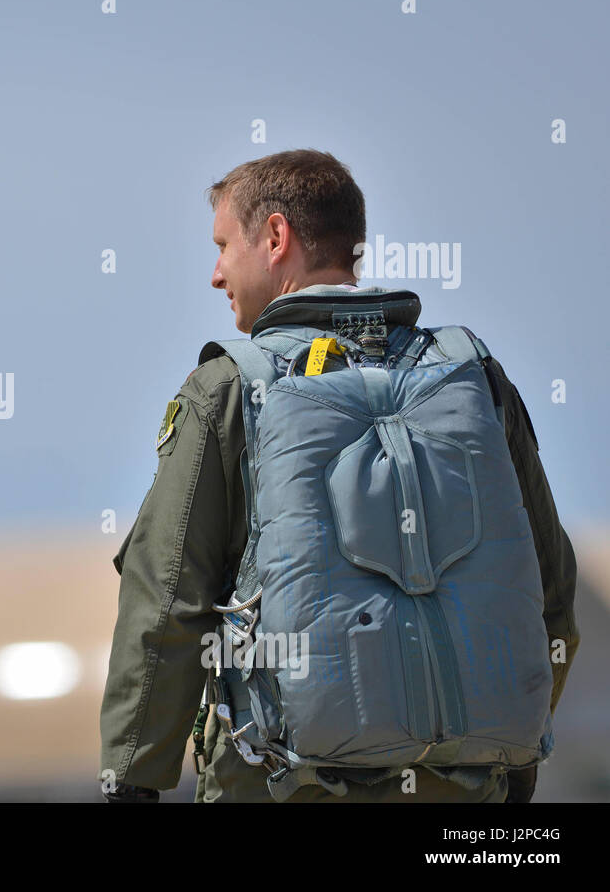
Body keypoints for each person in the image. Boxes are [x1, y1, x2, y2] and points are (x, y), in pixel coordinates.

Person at [99, 149, 578, 803]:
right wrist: (509, 763)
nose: (216, 274)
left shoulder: (231, 388)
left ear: (275, 237)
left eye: (222, 245)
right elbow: (548, 592)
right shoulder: (474, 376)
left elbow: (166, 606)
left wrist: (132, 779)